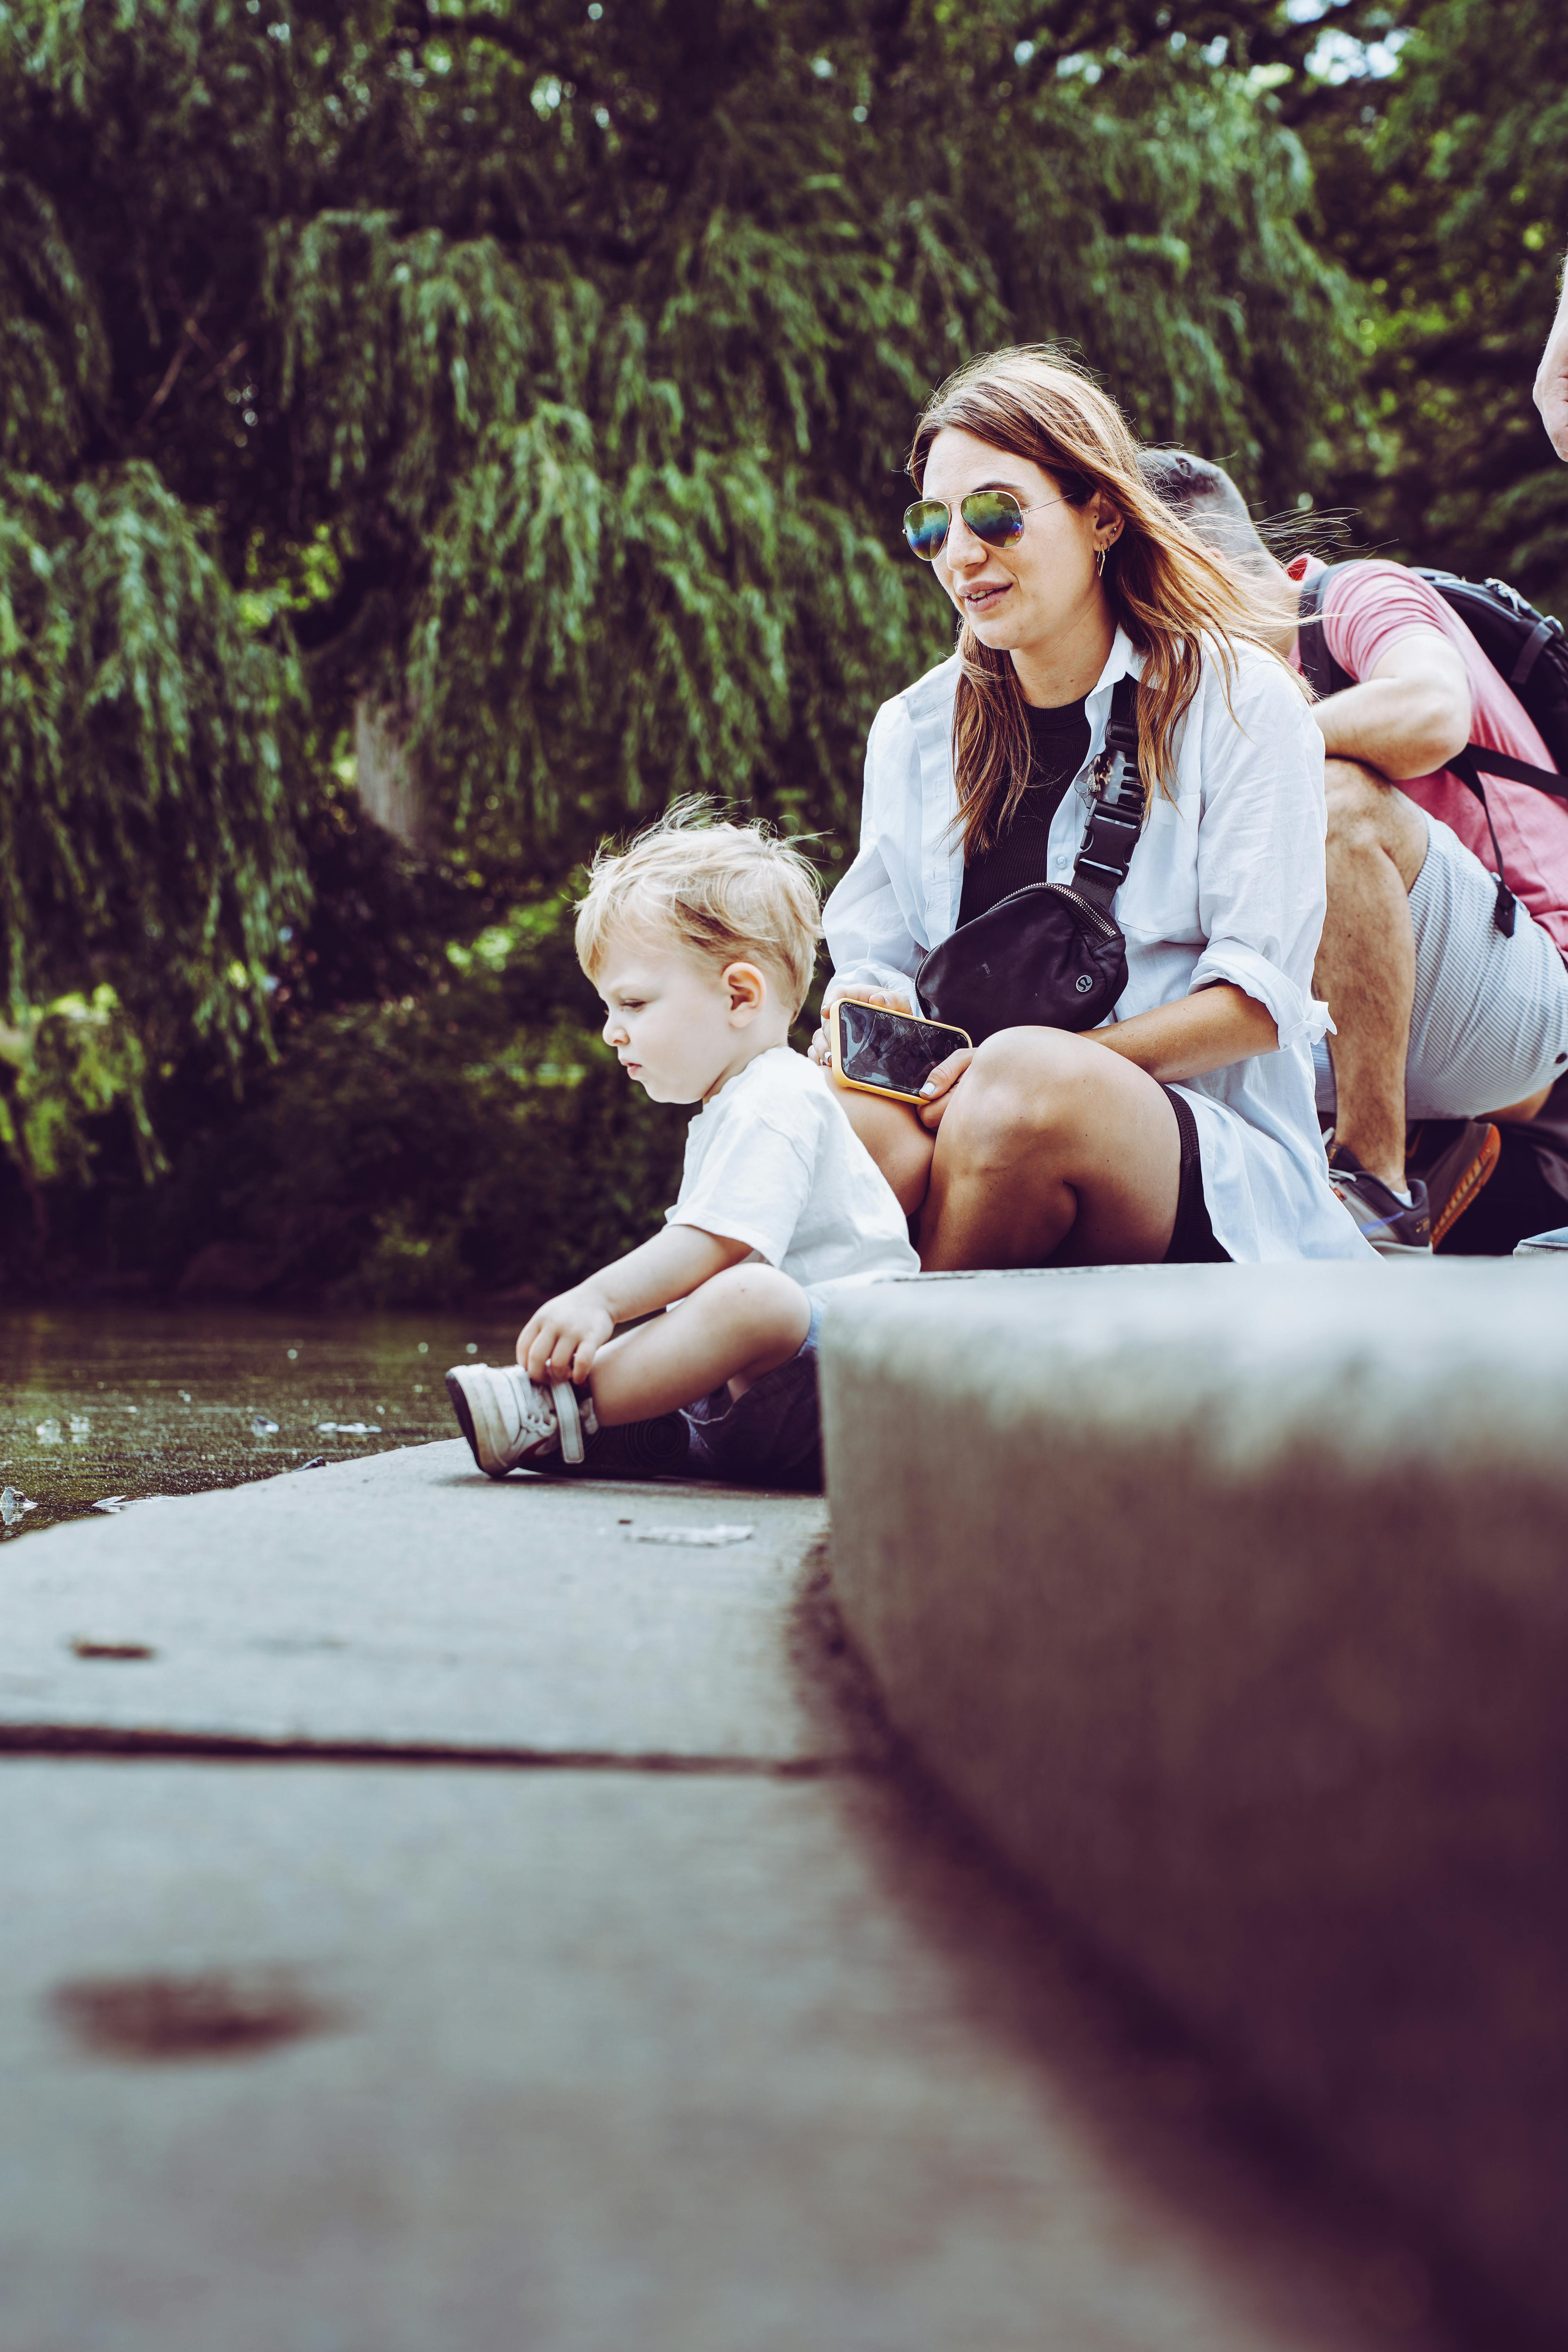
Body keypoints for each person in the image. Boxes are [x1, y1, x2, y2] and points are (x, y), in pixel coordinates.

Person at [813, 346, 1369, 1266]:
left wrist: (1019, 1072)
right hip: (971, 1112)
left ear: (1100, 512)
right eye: (929, 527)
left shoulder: (1239, 701)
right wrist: (865, 1014)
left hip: (1195, 1154)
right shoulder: (910, 731)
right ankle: (706, 1377)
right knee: (836, 1116)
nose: (960, 554)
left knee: (1024, 1092)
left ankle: (896, 1383)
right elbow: (875, 960)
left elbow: (1255, 1005)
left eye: (994, 513)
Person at [1138, 449, 1568, 1254]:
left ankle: (1376, 1180)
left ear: (1187, 567)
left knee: (1328, 794)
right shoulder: (1207, 692)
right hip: (1405, 1022)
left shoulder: (1353, 596)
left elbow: (1431, 712)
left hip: (1533, 990)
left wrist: (1249, 753)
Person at [445, 806, 918, 1487]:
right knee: (722, 1304)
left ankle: (559, 1412)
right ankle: (632, 1429)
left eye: (632, 1004)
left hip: (845, 1382)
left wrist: (599, 1301)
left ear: (738, 996)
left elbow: (719, 1243)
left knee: (756, 1297)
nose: (612, 1031)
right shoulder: (733, 1102)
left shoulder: (777, 1096)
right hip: (768, 1397)